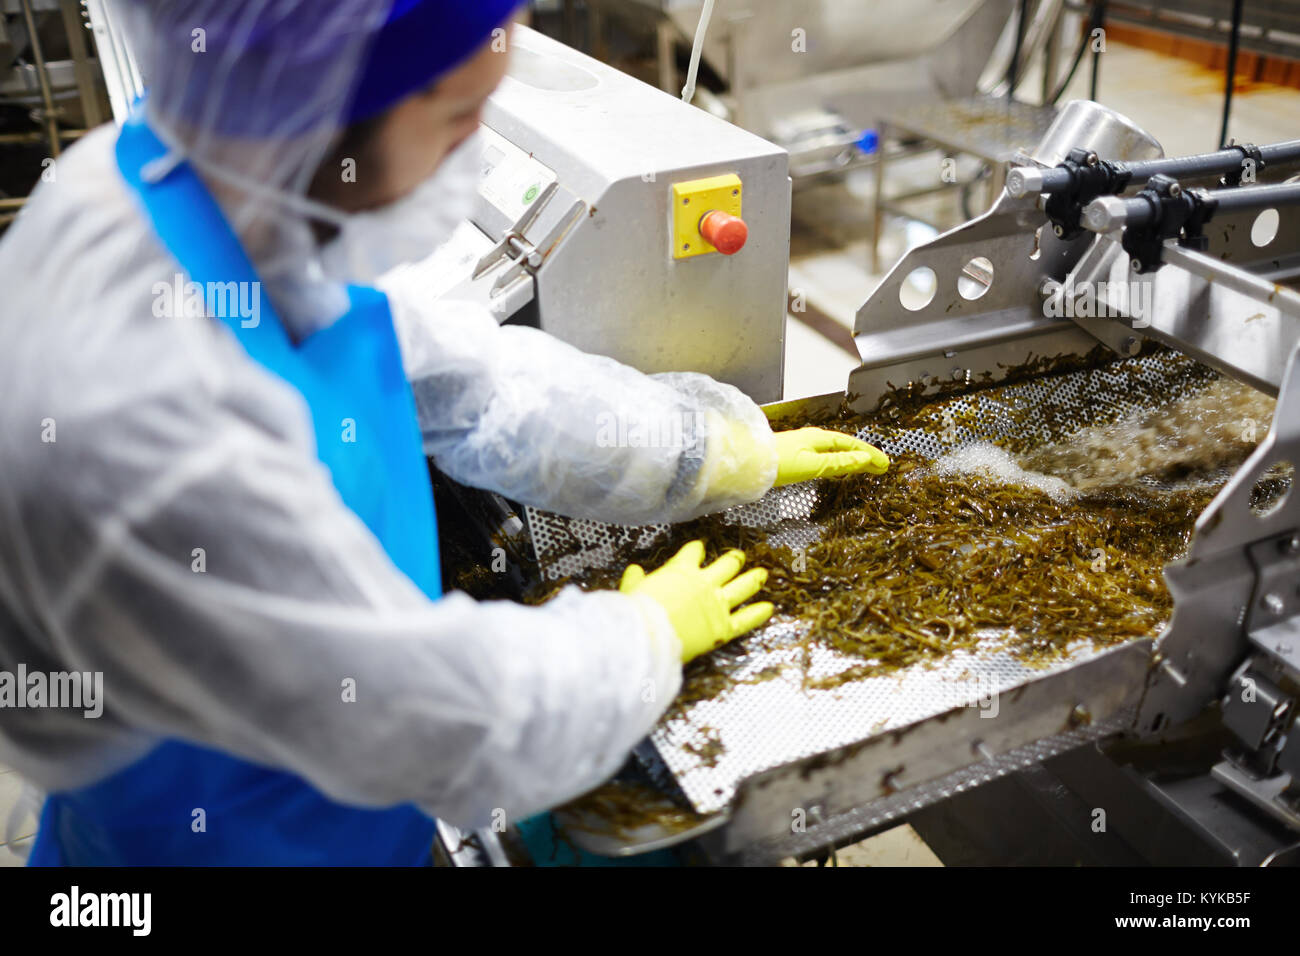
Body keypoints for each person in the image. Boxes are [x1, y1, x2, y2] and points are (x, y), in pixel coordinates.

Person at [0, 0, 888, 865]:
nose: (470, 164)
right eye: (462, 116)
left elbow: (467, 384)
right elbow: (421, 718)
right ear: (322, 108)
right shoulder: (145, 420)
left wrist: (716, 450)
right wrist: (643, 635)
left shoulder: (209, 183)